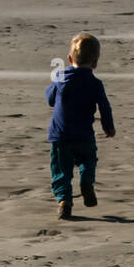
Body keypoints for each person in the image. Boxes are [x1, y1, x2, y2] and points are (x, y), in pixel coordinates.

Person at [46, 33, 115, 221]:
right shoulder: (95, 83)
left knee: (61, 170)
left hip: (60, 135)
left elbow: (50, 100)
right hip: (84, 134)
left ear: (69, 59)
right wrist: (108, 127)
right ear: (95, 62)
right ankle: (86, 182)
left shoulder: (61, 78)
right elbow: (104, 107)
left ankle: (64, 201)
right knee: (88, 160)